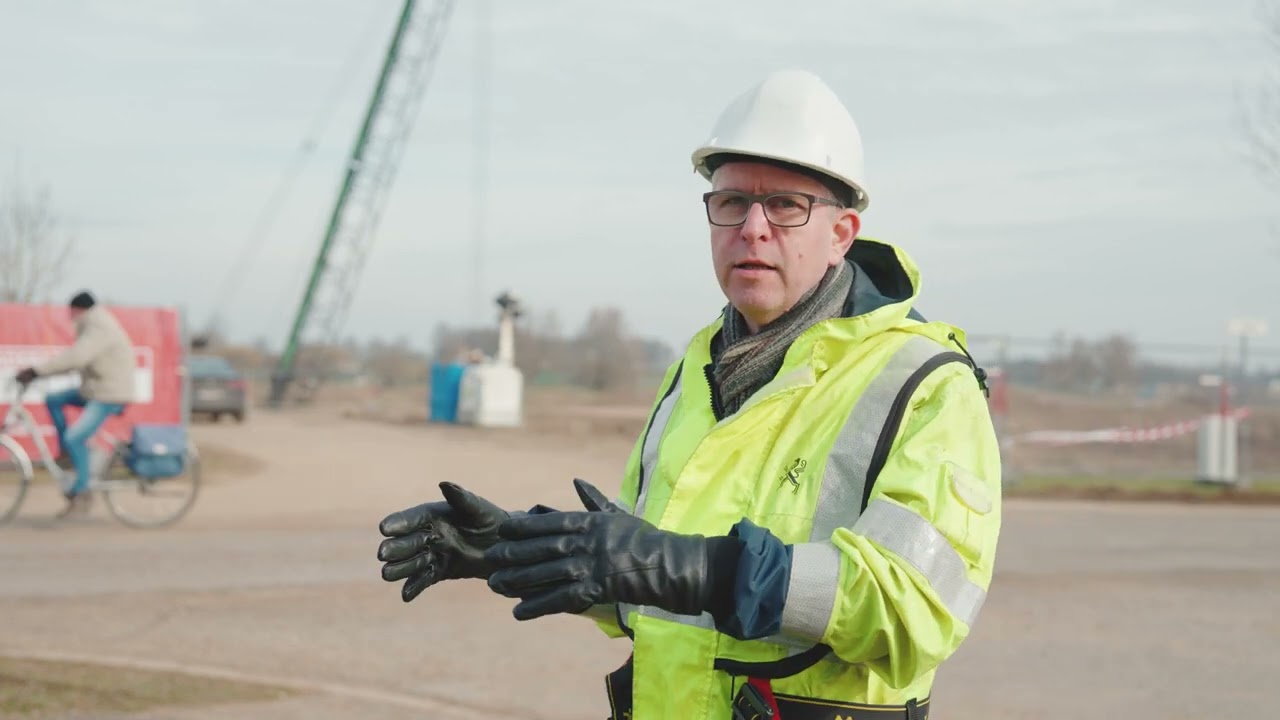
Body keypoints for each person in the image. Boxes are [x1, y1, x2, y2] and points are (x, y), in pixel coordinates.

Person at [377, 69, 1002, 719]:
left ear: (842, 233)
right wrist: (516, 548)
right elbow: (654, 586)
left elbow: (917, 610)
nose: (753, 228)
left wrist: (695, 568)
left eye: (786, 204)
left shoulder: (926, 385)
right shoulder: (698, 370)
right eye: (731, 201)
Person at [15, 290, 135, 513]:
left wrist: (36, 371)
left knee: (75, 437)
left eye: (70, 312)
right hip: (95, 389)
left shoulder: (98, 326)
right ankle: (68, 454)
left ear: (78, 310)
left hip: (109, 393)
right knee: (54, 399)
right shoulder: (92, 323)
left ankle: (81, 488)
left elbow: (77, 356)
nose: (69, 316)